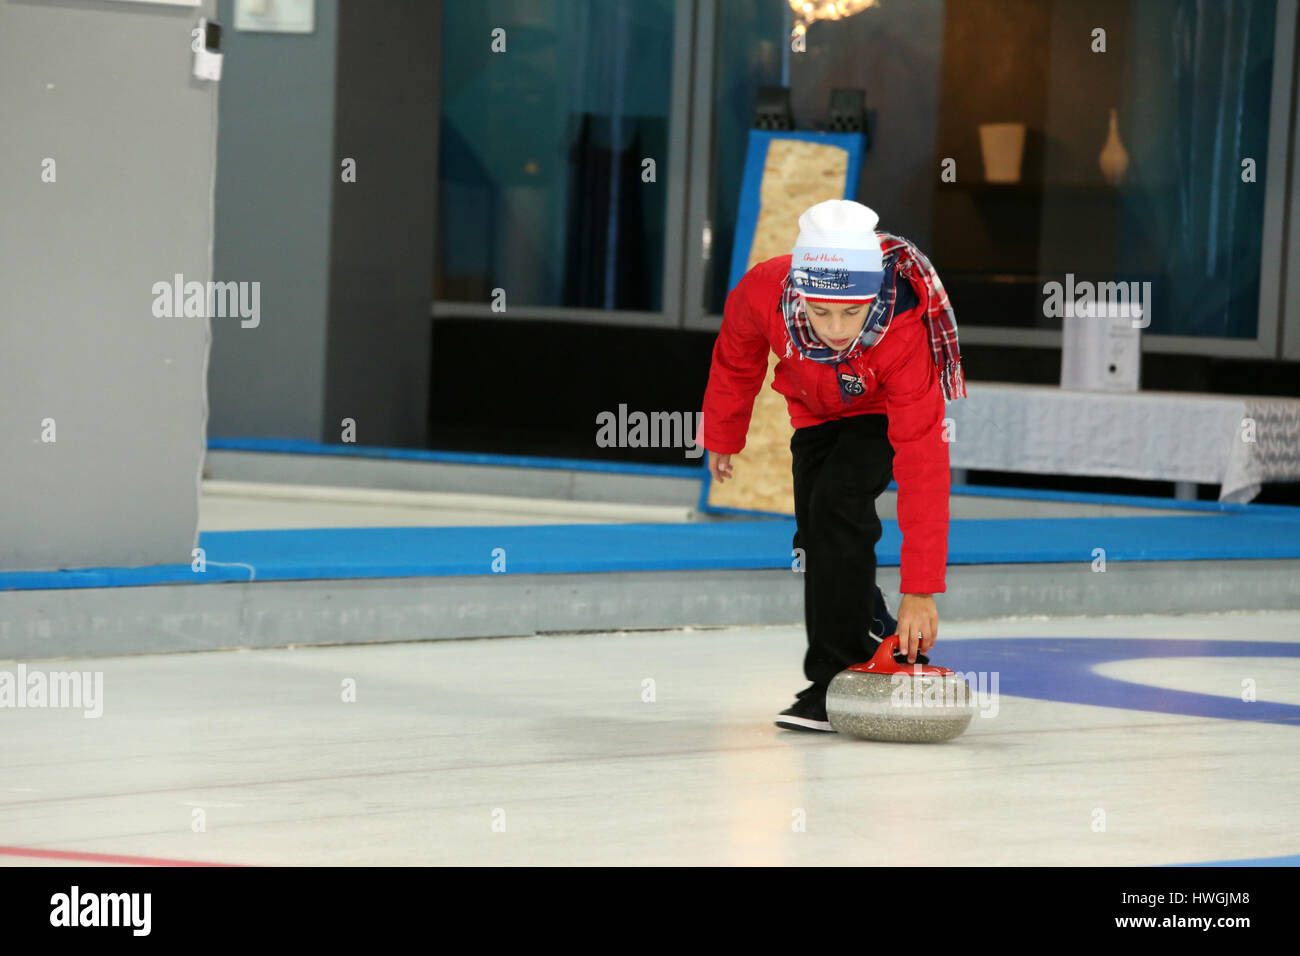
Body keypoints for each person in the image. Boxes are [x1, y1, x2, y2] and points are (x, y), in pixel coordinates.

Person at [699, 199, 966, 732]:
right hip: (814, 415)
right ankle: (879, 636)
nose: (837, 330)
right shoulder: (763, 291)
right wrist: (723, 434)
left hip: (879, 415)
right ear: (799, 294)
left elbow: (924, 466)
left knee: (838, 504)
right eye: (820, 313)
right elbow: (737, 357)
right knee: (817, 534)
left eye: (853, 312)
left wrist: (921, 590)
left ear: (874, 298)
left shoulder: (904, 332)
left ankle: (832, 680)